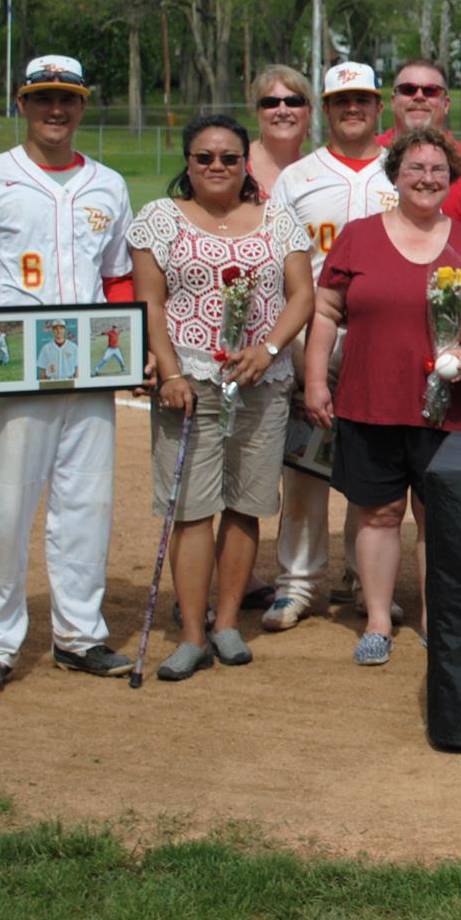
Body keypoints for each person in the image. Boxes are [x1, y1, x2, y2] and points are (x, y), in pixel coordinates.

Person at [0, 54, 138, 699]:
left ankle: (79, 636)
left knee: (87, 507)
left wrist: (135, 346)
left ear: (83, 105)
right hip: (12, 366)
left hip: (88, 370)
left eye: (69, 98)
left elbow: (119, 278)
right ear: (22, 103)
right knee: (10, 507)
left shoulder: (108, 183)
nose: (57, 109)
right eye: (44, 96)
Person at [129, 114, 315, 681]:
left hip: (260, 383)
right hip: (190, 385)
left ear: (245, 164)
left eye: (229, 158)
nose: (216, 167)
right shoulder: (159, 220)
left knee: (245, 504)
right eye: (205, 157)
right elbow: (150, 304)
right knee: (191, 510)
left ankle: (228, 622)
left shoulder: (277, 219)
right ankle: (191, 634)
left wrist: (269, 348)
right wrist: (169, 372)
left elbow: (302, 294)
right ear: (188, 163)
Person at [304, 127, 461, 665]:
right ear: (395, 176)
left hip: (445, 409)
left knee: (436, 516)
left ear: (450, 178)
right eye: (415, 168)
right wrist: (316, 380)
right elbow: (326, 311)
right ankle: (378, 620)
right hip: (370, 399)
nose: (427, 178)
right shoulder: (358, 236)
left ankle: (433, 614)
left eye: (437, 170)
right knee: (379, 513)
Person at [266, 61, 397, 630]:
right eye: (342, 100)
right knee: (304, 464)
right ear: (326, 107)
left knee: (376, 462)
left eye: (363, 99)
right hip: (314, 338)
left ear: (378, 106)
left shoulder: (402, 169)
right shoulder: (298, 177)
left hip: (385, 340)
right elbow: (280, 267)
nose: (353, 109)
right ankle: (298, 583)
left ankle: (365, 579)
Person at [375, 58, 461, 230]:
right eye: (408, 90)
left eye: (431, 91)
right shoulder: (369, 155)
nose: (419, 96)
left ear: (446, 104)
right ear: (393, 101)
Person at [247, 64, 313, 197]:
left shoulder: (320, 174)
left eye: (293, 102)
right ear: (257, 112)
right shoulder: (233, 164)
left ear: (309, 111)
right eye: (271, 103)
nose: (283, 111)